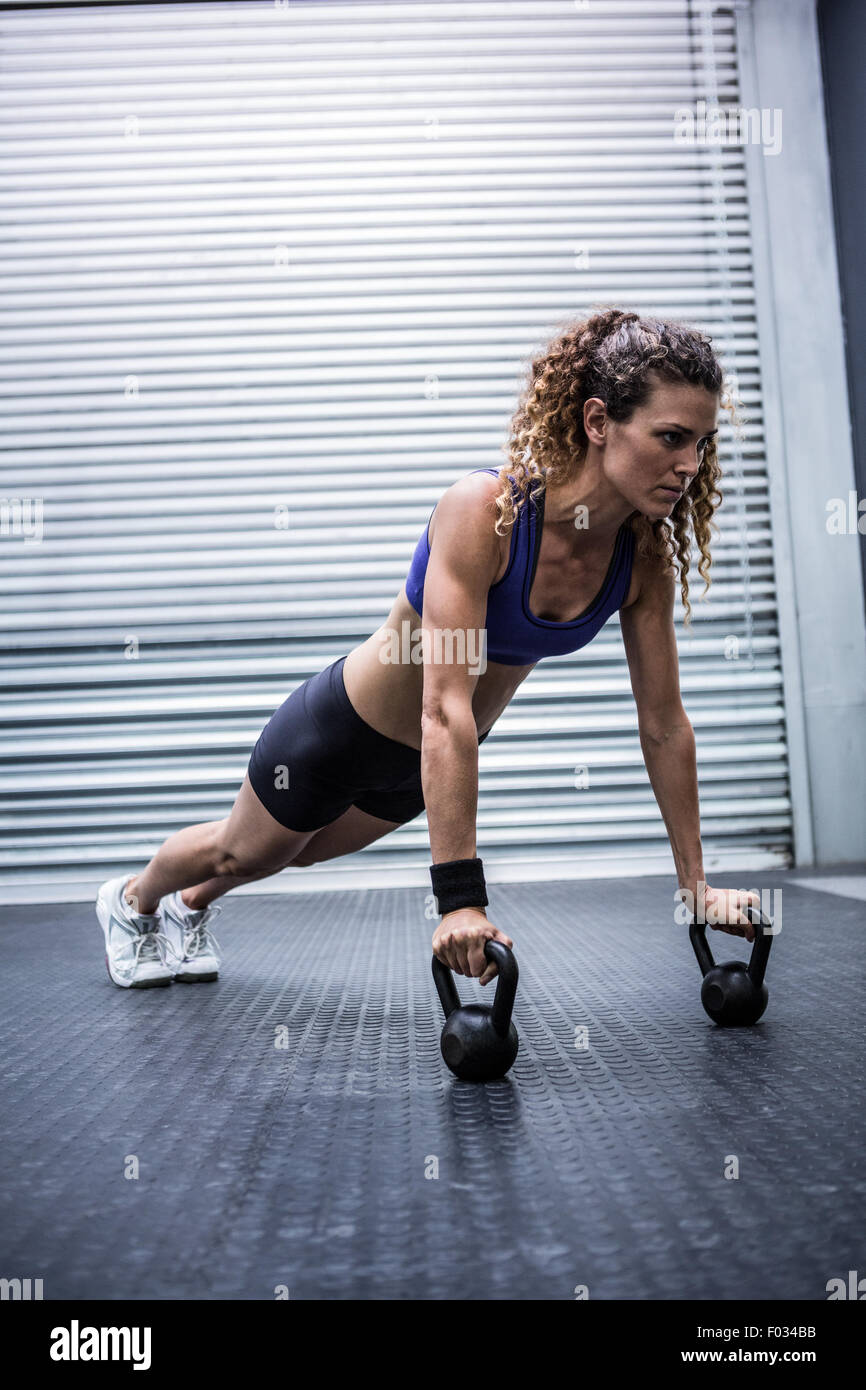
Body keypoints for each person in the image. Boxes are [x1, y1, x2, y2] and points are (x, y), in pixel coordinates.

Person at [96, 307, 761, 989]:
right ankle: (133, 902)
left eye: (702, 444)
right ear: (598, 423)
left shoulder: (641, 559)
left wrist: (696, 886)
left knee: (293, 854)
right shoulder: (486, 513)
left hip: (421, 768)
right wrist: (460, 900)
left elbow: (664, 723)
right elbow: (444, 706)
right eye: (672, 437)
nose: (690, 465)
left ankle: (187, 907)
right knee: (242, 851)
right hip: (336, 735)